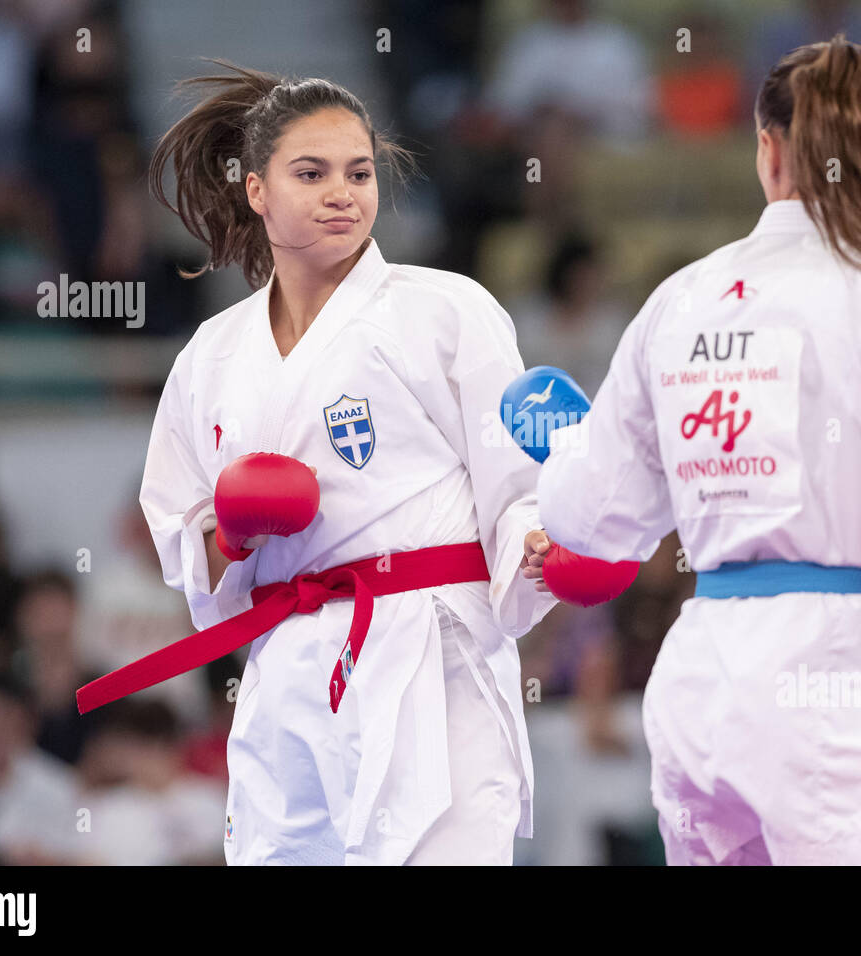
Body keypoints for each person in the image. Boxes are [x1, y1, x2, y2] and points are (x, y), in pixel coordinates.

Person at [534, 36, 861, 864]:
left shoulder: (682, 299)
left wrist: (555, 447)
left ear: (767, 150)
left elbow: (591, 520)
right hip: (843, 689)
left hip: (703, 684)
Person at [80, 62, 559, 865]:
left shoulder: (444, 311)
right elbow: (182, 547)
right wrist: (231, 535)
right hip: (290, 670)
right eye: (313, 173)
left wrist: (547, 547)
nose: (344, 193)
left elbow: (519, 491)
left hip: (429, 658)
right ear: (257, 189)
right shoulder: (212, 357)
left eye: (359, 172)